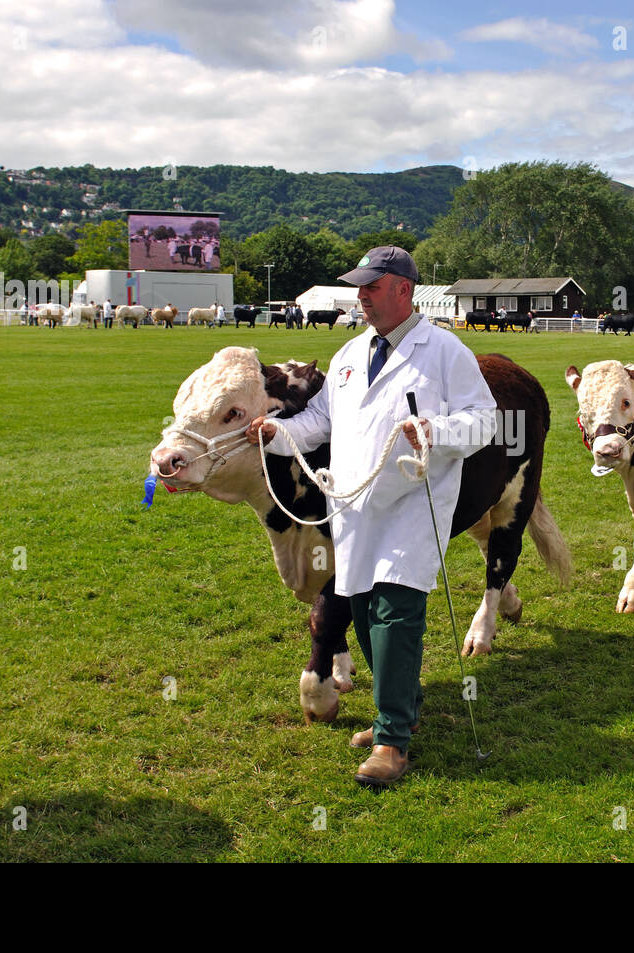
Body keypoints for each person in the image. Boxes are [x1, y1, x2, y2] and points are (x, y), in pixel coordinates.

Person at [246, 246, 496, 788]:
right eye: (358, 288)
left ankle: (391, 742)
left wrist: (436, 430)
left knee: (395, 615)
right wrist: (278, 434)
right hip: (353, 505)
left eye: (371, 287)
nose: (360, 296)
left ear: (403, 290)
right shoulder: (349, 355)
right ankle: (400, 707)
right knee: (361, 612)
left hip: (412, 502)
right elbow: (321, 420)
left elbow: (484, 421)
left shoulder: (446, 351)